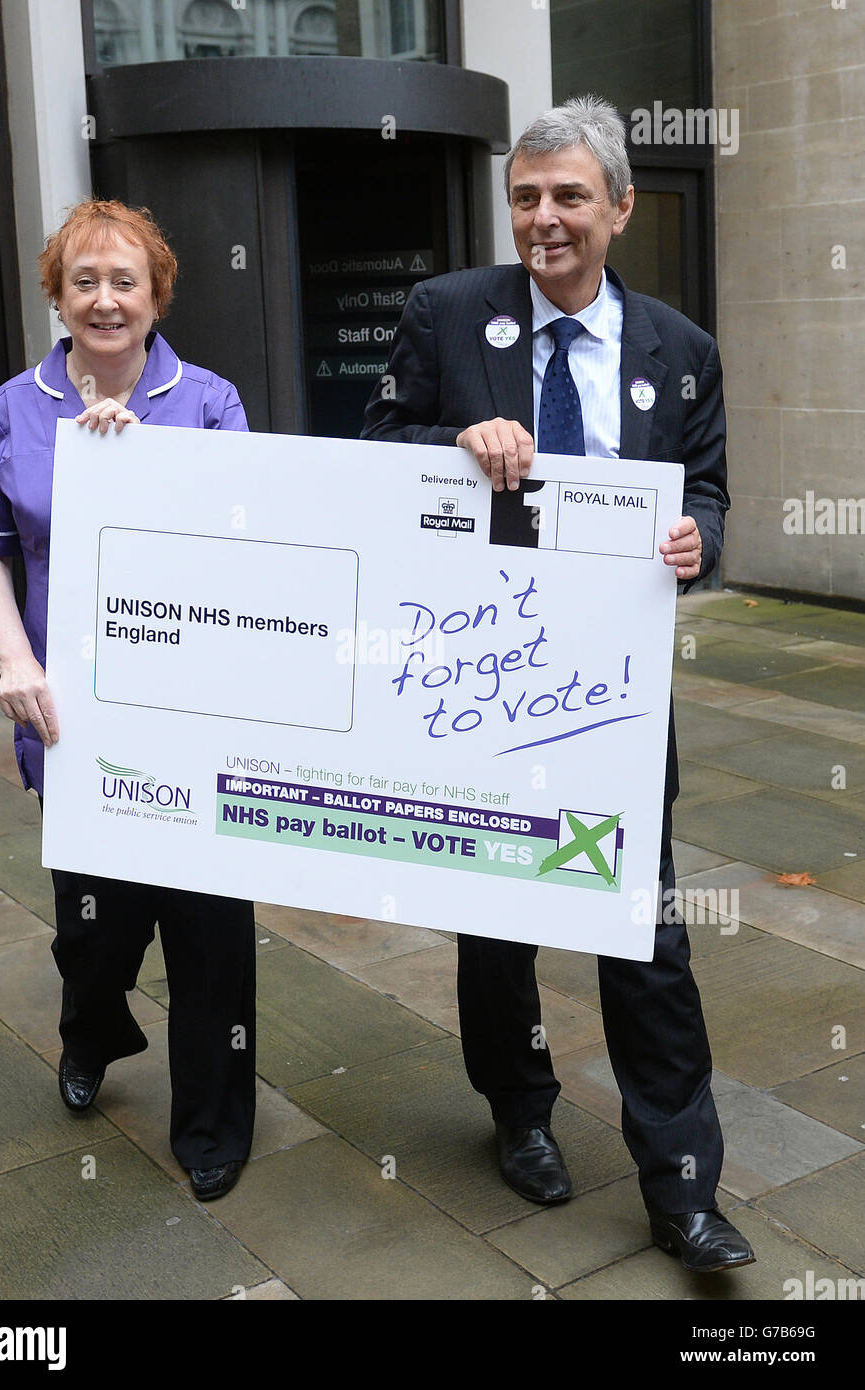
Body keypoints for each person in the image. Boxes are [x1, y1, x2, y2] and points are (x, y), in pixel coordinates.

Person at [362, 96, 754, 1273]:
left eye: (568, 196)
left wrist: (698, 542)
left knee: (646, 943)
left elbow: (711, 492)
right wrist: (452, 446)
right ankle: (519, 1113)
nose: (543, 219)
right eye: (525, 197)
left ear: (618, 209)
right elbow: (370, 447)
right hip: (481, 683)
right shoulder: (445, 314)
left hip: (617, 702)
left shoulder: (678, 351)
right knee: (498, 924)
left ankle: (682, 1186)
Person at [0, 200, 254, 1203]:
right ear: (58, 294)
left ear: (157, 293)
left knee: (208, 933)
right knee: (93, 924)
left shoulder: (206, 401)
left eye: (126, 280)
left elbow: (255, 544)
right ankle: (93, 1026)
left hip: (196, 720)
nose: (106, 299)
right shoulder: (12, 405)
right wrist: (12, 658)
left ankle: (211, 1124)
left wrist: (145, 471)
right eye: (85, 280)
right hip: (67, 719)